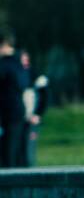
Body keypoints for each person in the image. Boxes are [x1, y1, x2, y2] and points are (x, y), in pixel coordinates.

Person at [0, 31, 29, 168]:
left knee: (8, 153)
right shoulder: (20, 63)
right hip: (16, 111)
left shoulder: (5, 65)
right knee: (14, 151)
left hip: (9, 112)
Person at [19, 52, 49, 167]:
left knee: (28, 151)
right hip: (18, 119)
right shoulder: (15, 75)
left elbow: (45, 97)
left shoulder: (35, 75)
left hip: (32, 119)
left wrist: (38, 115)